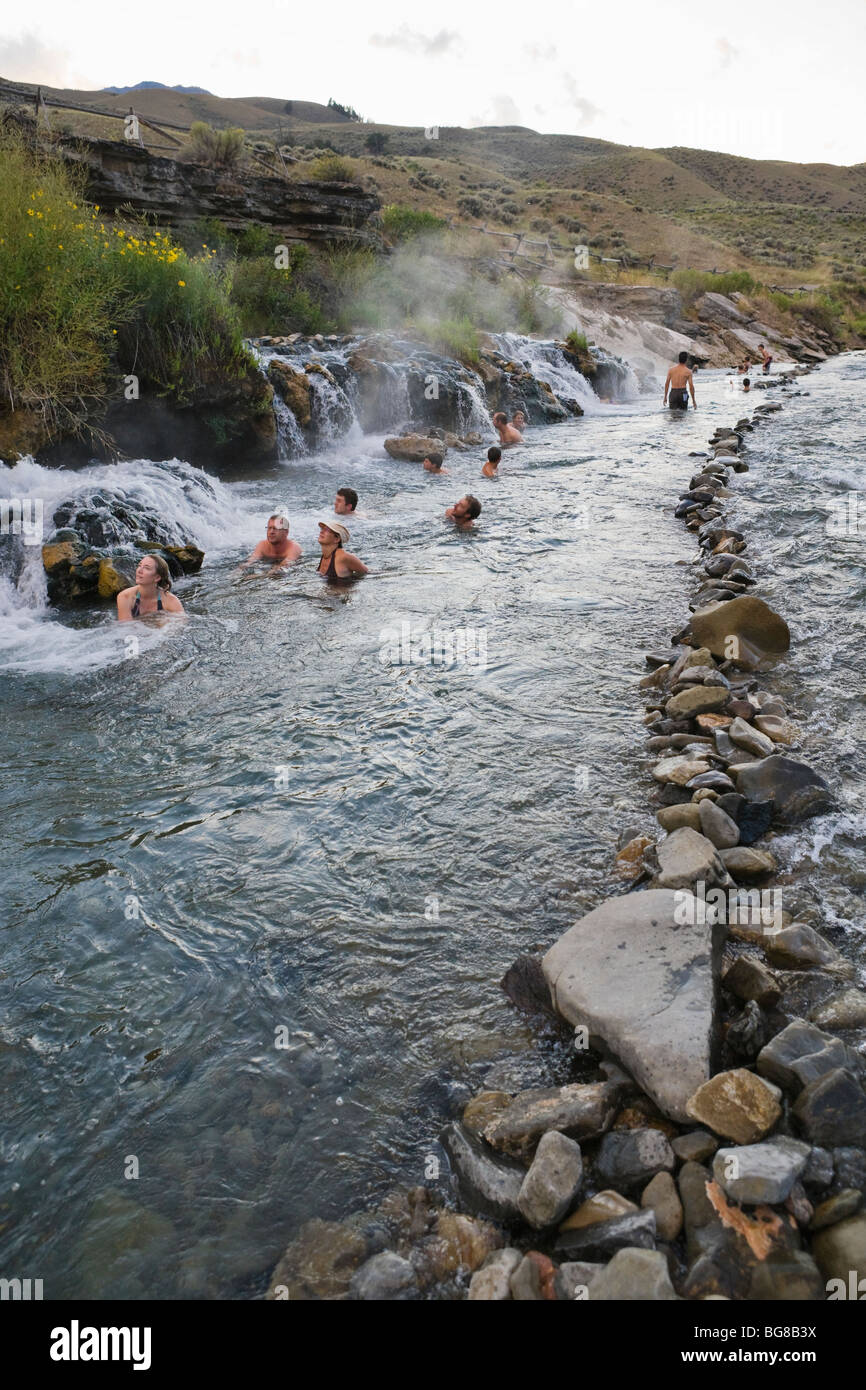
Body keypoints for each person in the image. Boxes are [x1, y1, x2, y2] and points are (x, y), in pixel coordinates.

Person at [117, 553, 184, 621]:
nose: (139, 571)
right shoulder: (125, 597)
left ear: (157, 577)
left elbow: (182, 625)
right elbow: (126, 628)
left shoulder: (171, 601)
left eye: (147, 568)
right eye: (139, 565)